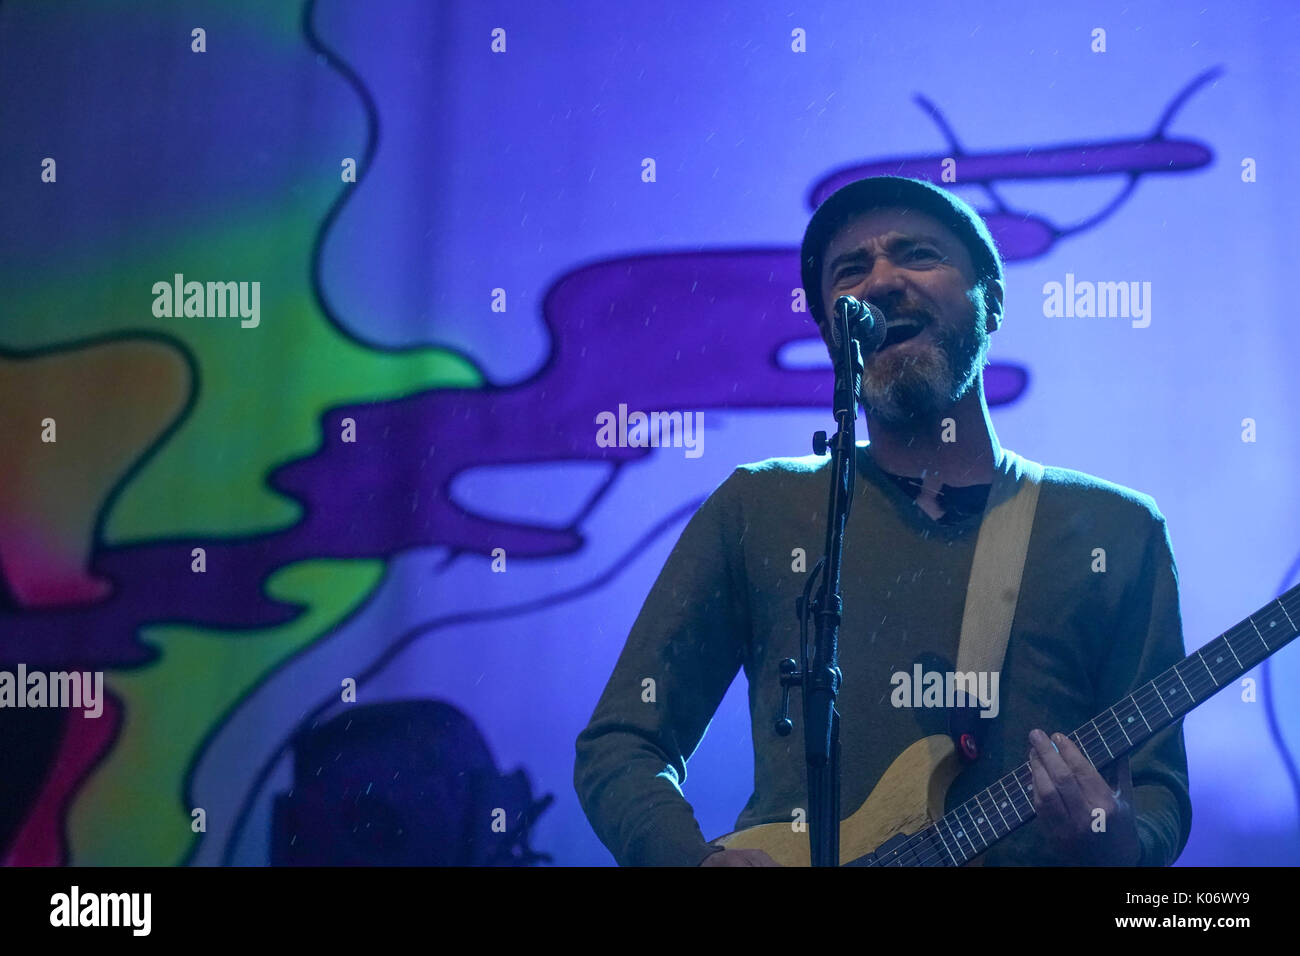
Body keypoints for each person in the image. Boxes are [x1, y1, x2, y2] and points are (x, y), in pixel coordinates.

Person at [573, 176, 1192, 866]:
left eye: (919, 254)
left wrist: (1115, 837)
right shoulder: (758, 507)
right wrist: (696, 861)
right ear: (832, 333)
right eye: (850, 270)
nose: (881, 281)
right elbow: (622, 743)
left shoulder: (1114, 530)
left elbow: (1158, 791)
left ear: (993, 303)